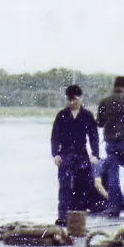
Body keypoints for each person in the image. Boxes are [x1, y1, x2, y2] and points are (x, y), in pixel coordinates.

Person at [50, 85, 101, 224]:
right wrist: (55, 154)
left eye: (75, 99)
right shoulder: (61, 115)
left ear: (81, 98)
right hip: (65, 155)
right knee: (64, 188)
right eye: (70, 100)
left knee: (82, 188)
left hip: (82, 154)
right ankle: (62, 218)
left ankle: (78, 220)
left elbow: (93, 136)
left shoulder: (87, 116)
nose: (73, 102)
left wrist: (95, 155)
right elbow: (55, 136)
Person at [95, 76, 124, 215]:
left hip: (110, 143)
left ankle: (114, 206)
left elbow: (100, 123)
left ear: (114, 86)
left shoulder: (104, 101)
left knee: (113, 172)